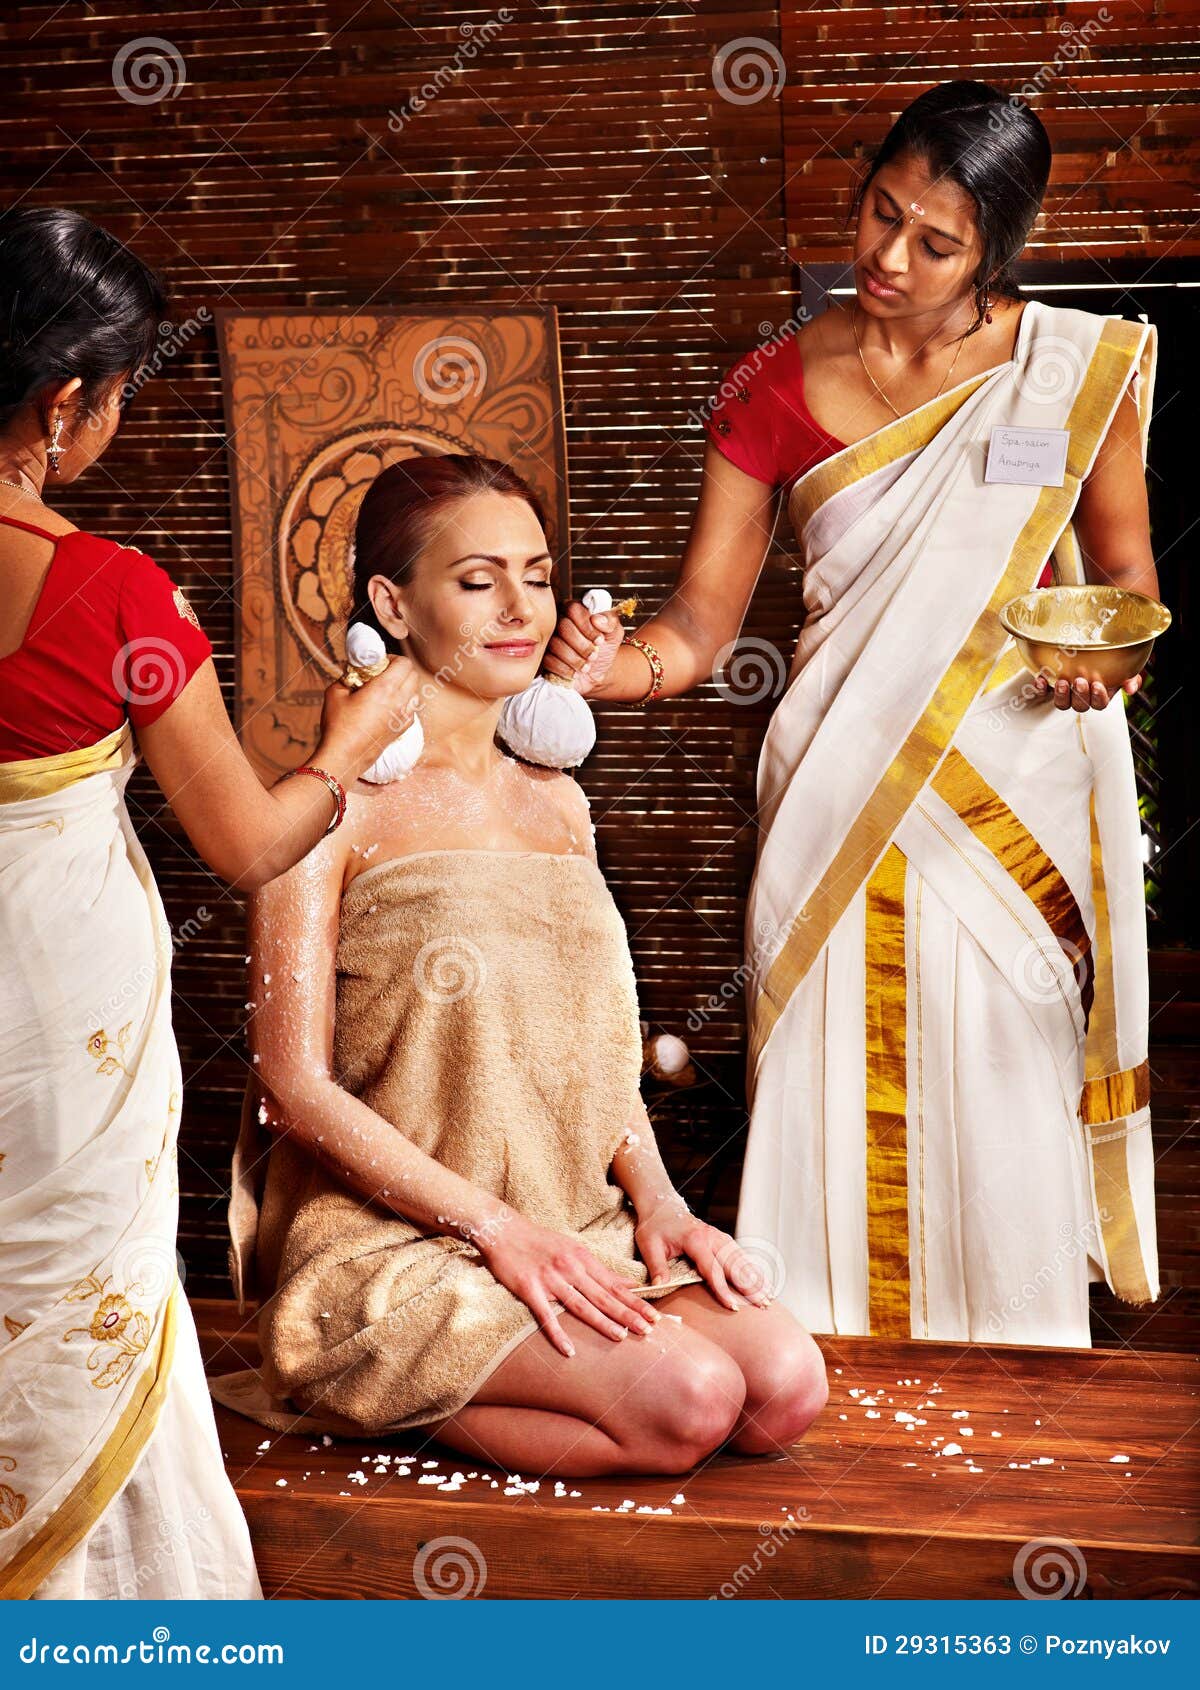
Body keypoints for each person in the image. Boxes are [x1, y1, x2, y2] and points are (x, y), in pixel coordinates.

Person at [544, 82, 1161, 1348]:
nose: (886, 257)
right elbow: (702, 627)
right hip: (837, 783)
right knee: (828, 1078)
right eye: (879, 212)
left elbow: (1128, 583)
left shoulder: (1068, 372)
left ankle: (1020, 1371)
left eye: (935, 243)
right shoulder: (774, 379)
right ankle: (810, 1380)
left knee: (996, 1073)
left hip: (1013, 785)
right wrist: (609, 670)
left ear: (999, 249)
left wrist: (1113, 664)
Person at [208, 452, 829, 1476]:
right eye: (476, 578)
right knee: (694, 1400)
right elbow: (290, 1083)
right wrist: (495, 1230)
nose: (520, 609)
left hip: (574, 1224)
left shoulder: (559, 803)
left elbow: (593, 1044)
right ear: (391, 604)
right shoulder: (323, 807)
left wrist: (662, 1205)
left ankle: (510, 1353)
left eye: (537, 576)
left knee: (782, 1388)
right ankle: (347, 1368)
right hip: (397, 1242)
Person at [0, 207, 420, 1598]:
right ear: (64, 402)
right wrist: (347, 747)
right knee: (76, 1295)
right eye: (115, 398)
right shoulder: (113, 593)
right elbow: (249, 840)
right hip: (55, 1003)